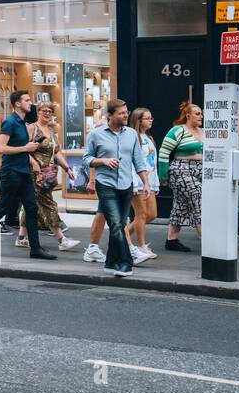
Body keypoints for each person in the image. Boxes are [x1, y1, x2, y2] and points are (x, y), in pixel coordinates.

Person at [83, 98, 151, 278]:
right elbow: (86, 159)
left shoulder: (131, 134)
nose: (125, 115)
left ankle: (110, 262)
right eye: (121, 113)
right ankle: (125, 263)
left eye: (126, 112)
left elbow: (138, 161)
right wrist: (103, 161)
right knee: (116, 223)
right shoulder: (96, 134)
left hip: (126, 184)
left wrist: (145, 182)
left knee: (119, 224)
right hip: (106, 184)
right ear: (110, 116)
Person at [0, 91, 55, 259]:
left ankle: (35, 249)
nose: (31, 103)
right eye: (27, 100)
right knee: (3, 208)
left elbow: (25, 148)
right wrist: (25, 149)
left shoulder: (23, 123)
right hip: (11, 172)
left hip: (24, 172)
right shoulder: (10, 122)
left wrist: (33, 163)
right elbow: (1, 148)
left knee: (31, 208)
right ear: (17, 104)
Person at [17, 103, 80, 251]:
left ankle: (21, 238)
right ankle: (61, 239)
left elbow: (56, 152)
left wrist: (67, 168)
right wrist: (34, 164)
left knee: (31, 205)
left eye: (50, 111)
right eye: (44, 111)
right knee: (49, 204)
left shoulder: (51, 131)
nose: (47, 113)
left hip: (48, 174)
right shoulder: (32, 128)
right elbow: (23, 149)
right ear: (38, 112)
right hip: (35, 175)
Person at [159, 101, 204, 252]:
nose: (201, 116)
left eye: (201, 113)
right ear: (188, 115)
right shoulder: (178, 130)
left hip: (200, 170)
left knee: (181, 205)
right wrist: (163, 176)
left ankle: (171, 240)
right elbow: (164, 153)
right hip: (181, 170)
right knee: (198, 197)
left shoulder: (203, 131)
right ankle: (207, 239)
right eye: (197, 114)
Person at [125, 107, 159, 264]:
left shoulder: (149, 137)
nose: (151, 120)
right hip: (138, 182)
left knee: (152, 214)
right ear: (139, 120)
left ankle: (123, 233)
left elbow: (153, 162)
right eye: (147, 118)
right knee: (141, 215)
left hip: (149, 181)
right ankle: (142, 246)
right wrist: (135, 182)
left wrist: (155, 183)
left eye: (151, 118)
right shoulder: (134, 137)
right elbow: (132, 162)